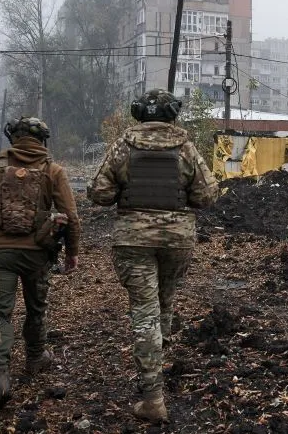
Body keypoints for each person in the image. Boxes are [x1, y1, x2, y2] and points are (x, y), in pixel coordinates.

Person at [87, 89, 219, 423]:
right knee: (164, 303)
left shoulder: (122, 146)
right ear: (172, 114)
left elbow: (99, 193)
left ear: (139, 114)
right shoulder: (186, 148)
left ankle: (152, 397)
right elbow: (205, 196)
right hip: (177, 241)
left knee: (145, 314)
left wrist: (126, 189)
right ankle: (158, 361)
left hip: (133, 240)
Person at [0, 116, 81, 410]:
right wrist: (71, 253)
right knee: (36, 309)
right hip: (37, 255)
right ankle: (35, 358)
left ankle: (0, 375)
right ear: (42, 140)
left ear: (12, 139)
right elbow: (72, 216)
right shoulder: (53, 171)